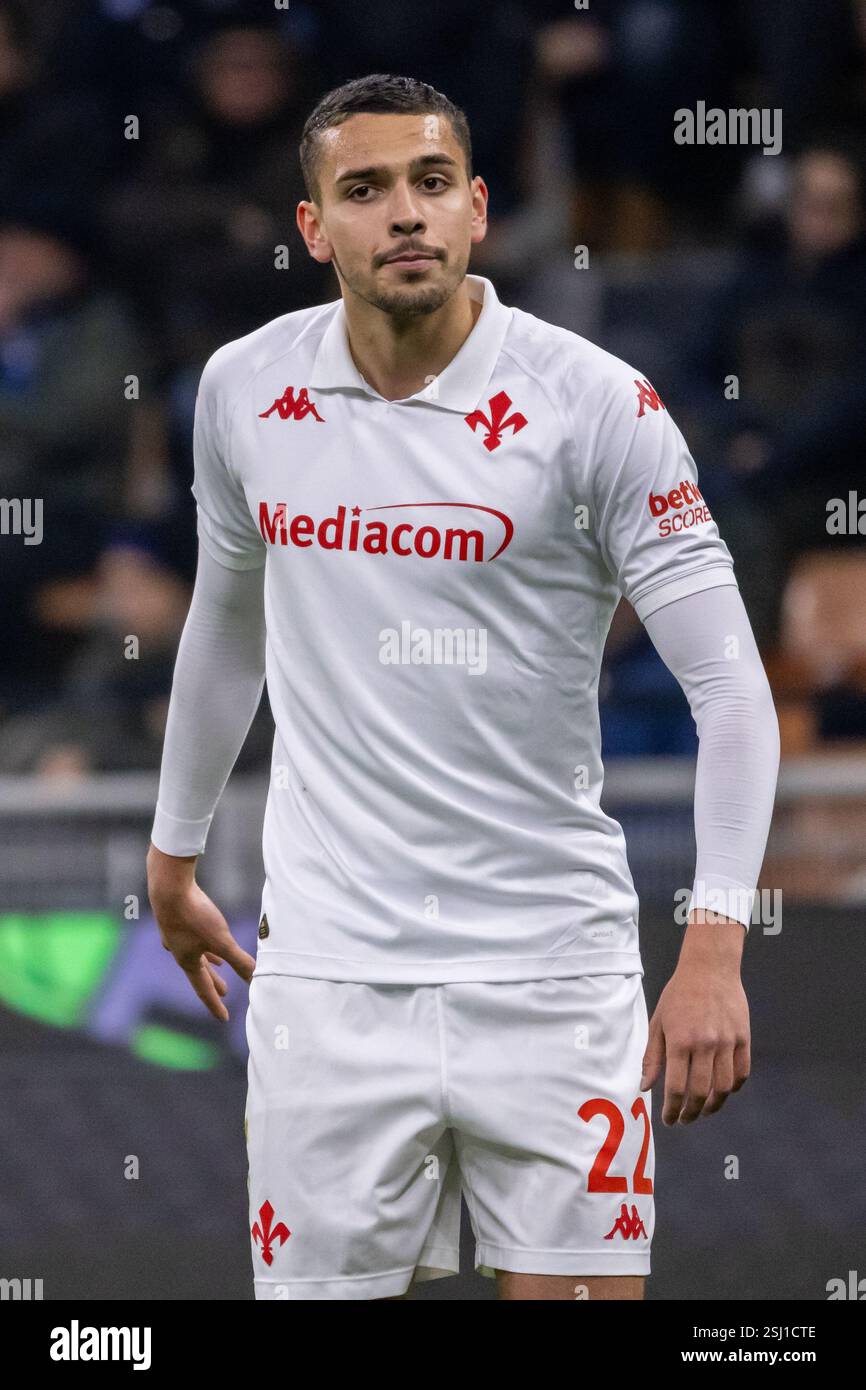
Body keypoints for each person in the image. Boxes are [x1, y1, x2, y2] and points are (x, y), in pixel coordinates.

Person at [146, 74, 780, 1301]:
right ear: (312, 226)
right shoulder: (242, 391)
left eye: (431, 184)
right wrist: (174, 856)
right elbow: (229, 623)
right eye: (365, 189)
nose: (404, 215)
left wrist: (711, 952)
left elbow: (732, 692)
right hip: (326, 977)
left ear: (478, 207)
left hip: (553, 974)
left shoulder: (594, 404)